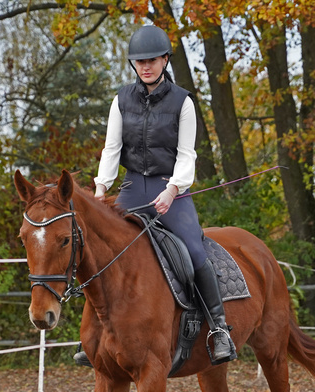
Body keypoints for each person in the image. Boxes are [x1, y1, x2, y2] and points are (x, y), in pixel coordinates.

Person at [89, 24, 237, 366]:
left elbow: (187, 155)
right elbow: (112, 148)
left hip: (170, 189)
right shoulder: (121, 99)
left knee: (195, 250)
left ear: (165, 59)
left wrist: (173, 189)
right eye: (139, 61)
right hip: (131, 189)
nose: (145, 66)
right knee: (96, 250)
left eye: (152, 60)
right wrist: (100, 189)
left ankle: (219, 329)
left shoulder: (182, 102)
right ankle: (95, 334)